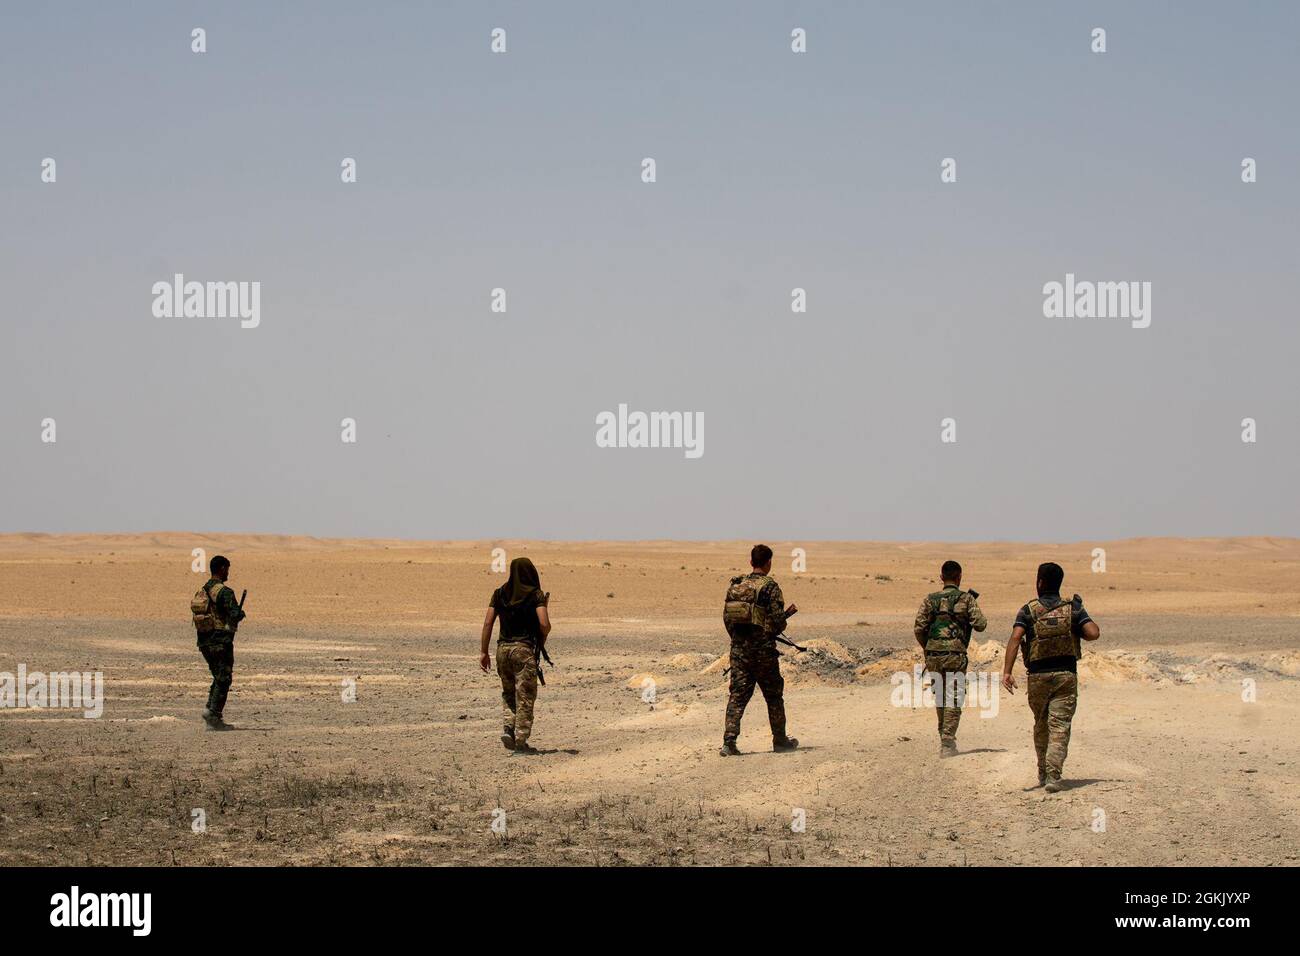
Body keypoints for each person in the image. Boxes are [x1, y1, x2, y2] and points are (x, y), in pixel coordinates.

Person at [1001, 562, 1101, 791]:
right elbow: (1093, 634)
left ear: (1039, 582)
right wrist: (1079, 614)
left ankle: (1043, 773)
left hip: (1037, 677)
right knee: (1060, 725)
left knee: (1041, 723)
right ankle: (1054, 776)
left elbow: (1016, 638)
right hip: (1065, 676)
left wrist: (1007, 672)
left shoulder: (1028, 610)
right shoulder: (1072, 608)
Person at [720, 544, 800, 756]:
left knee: (737, 696)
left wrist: (739, 642)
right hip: (763, 653)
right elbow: (776, 622)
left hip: (739, 652)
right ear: (768, 563)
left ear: (751, 562)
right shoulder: (770, 587)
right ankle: (780, 741)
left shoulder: (736, 586)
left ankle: (729, 742)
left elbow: (727, 619)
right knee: (773, 696)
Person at [913, 560, 987, 756]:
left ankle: (943, 736)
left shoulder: (930, 599)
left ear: (941, 578)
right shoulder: (966, 599)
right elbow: (981, 624)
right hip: (955, 655)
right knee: (953, 697)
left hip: (934, 655)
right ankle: (947, 741)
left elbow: (919, 628)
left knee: (940, 695)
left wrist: (929, 647)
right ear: (959, 577)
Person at [479, 557, 551, 755]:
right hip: (523, 651)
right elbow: (544, 624)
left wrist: (484, 651)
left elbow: (487, 623)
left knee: (509, 692)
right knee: (525, 696)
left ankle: (508, 730)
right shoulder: (535, 595)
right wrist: (544, 633)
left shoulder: (500, 593)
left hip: (502, 650)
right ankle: (520, 741)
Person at [192, 555, 245, 730]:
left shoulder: (203, 589)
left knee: (218, 676)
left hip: (204, 642)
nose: (228, 572)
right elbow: (234, 613)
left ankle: (210, 711)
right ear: (222, 569)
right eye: (227, 569)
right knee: (224, 678)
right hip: (220, 641)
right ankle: (213, 715)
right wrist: (240, 614)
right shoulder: (224, 592)